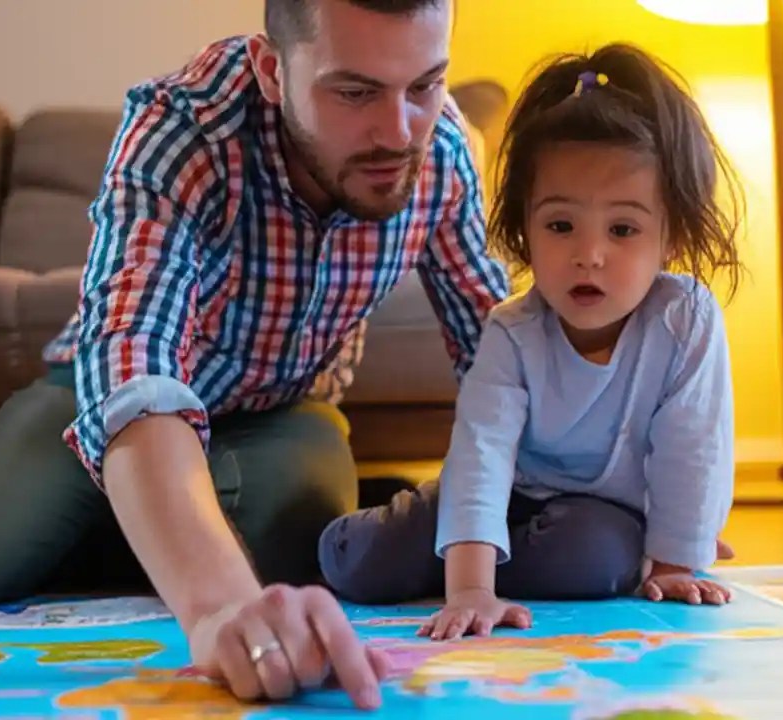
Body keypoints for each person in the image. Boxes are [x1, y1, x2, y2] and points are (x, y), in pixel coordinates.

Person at [0, 0, 510, 708]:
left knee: (296, 562)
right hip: (98, 396)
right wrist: (213, 606)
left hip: (284, 408)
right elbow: (133, 359)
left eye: (424, 86)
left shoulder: (444, 150)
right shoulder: (184, 126)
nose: (399, 133)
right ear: (275, 71)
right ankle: (150, 513)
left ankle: (151, 523)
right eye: (355, 92)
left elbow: (499, 353)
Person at [318, 42, 745, 640]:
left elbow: (694, 448)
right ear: (525, 230)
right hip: (505, 493)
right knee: (356, 564)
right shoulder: (513, 330)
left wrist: (676, 559)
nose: (588, 256)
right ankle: (410, 526)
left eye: (623, 229)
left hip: (599, 514)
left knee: (597, 560)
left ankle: (483, 554)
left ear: (668, 237)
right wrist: (471, 590)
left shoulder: (686, 320)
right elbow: (482, 456)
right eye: (560, 226)